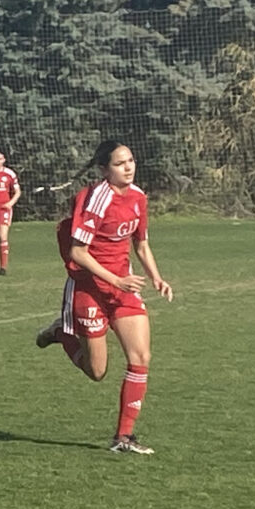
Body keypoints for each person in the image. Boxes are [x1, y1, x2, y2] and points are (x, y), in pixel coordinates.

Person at [34, 140, 174, 454]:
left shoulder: (137, 197)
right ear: (103, 169)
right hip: (90, 288)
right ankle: (61, 333)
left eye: (131, 160)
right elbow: (78, 253)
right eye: (119, 163)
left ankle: (123, 437)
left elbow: (141, 244)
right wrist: (116, 280)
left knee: (141, 357)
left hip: (122, 289)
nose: (128, 167)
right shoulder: (95, 199)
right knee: (96, 371)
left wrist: (156, 277)